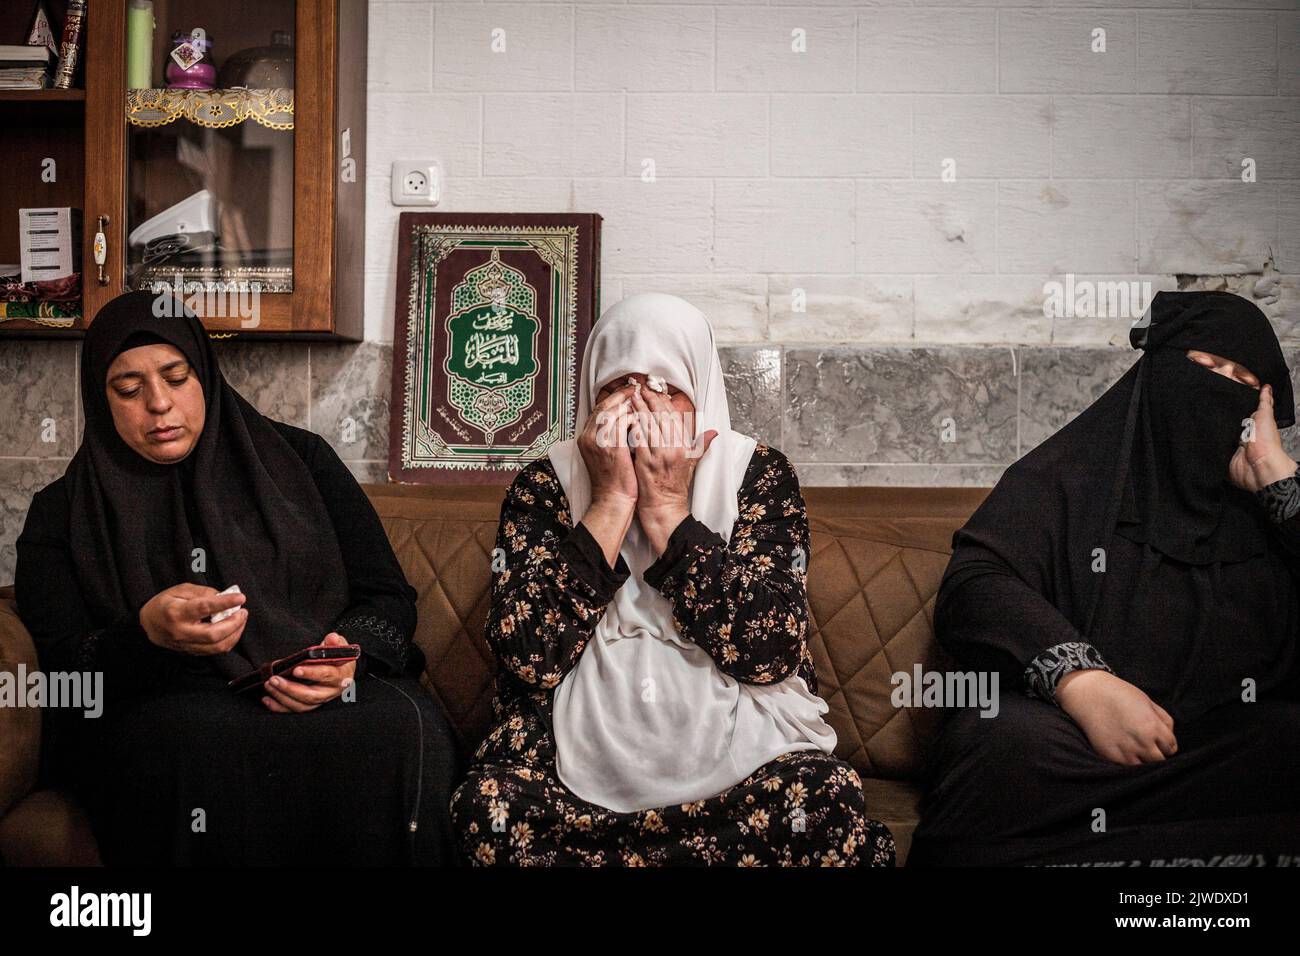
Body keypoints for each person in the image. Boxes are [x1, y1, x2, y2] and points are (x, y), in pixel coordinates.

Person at [14, 290, 464, 866]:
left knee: (403, 727)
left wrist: (350, 657)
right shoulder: (63, 511)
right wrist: (146, 635)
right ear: (99, 400)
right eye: (127, 389)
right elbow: (61, 669)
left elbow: (387, 596)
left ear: (205, 373)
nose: (158, 403)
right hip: (172, 708)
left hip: (320, 690)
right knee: (182, 745)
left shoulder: (301, 461)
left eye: (176, 378)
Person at [449, 292, 896, 866]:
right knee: (487, 814)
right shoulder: (547, 483)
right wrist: (609, 503)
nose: (637, 406)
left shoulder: (754, 473)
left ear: (700, 397)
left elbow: (771, 651)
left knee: (822, 805)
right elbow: (529, 658)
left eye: (663, 388)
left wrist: (667, 511)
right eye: (617, 386)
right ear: (590, 397)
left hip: (743, 755)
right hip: (568, 755)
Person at [909, 291, 1300, 866]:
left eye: (1244, 381)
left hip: (1210, 744)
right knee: (999, 747)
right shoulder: (1068, 477)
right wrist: (1083, 683)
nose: (1221, 387)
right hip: (1071, 740)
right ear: (1160, 369)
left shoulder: (1262, 514)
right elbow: (977, 585)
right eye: (1206, 366)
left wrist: (1277, 477)